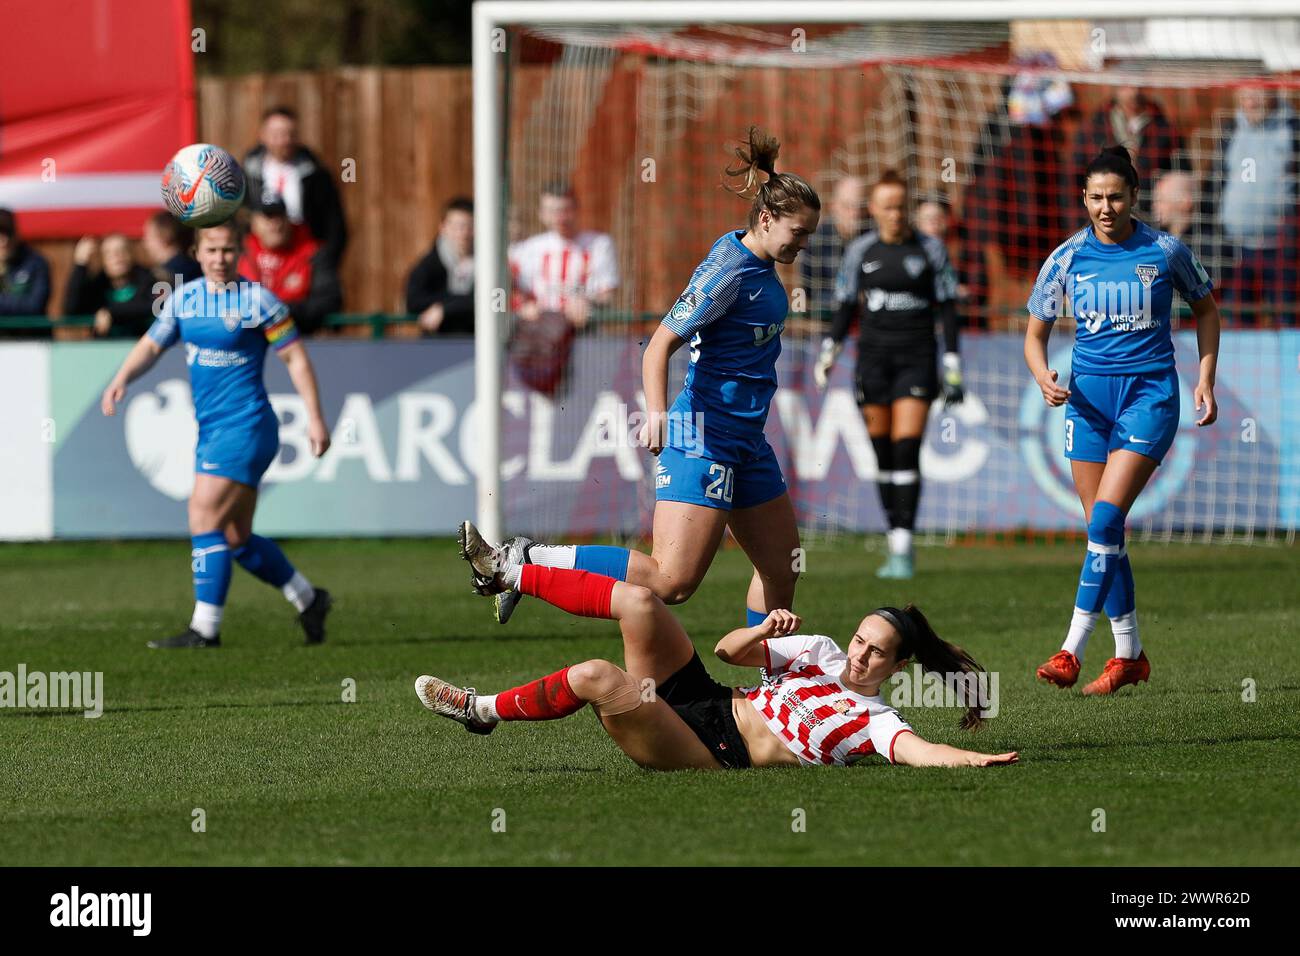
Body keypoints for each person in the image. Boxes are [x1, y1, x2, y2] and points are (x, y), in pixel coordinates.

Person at [484, 127, 820, 630]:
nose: (804, 244)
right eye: (799, 232)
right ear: (767, 219)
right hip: (702, 435)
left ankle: (771, 681)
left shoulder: (760, 264)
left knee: (781, 567)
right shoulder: (728, 272)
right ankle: (531, 559)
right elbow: (660, 343)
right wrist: (659, 416)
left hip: (747, 440)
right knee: (671, 582)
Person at [418, 523, 1018, 771]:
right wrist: (760, 633)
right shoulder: (824, 653)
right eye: (862, 640)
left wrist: (977, 760)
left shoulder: (876, 719)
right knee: (638, 600)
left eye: (876, 653)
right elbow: (728, 652)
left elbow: (921, 752)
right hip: (704, 693)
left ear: (899, 666)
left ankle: (480, 710)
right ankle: (509, 574)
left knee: (597, 675)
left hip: (714, 746)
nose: (861, 656)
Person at [1025, 145, 1221, 696]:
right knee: (1103, 532)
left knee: (1106, 521)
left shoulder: (1165, 251)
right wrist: (1042, 375)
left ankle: (1071, 650)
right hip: (1087, 403)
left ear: (1134, 197)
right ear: (1083, 199)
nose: (1105, 207)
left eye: (1115, 196)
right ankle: (1130, 653)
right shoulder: (1064, 259)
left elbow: (1206, 309)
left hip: (1149, 397)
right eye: (1095, 197)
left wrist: (1204, 377)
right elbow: (1035, 334)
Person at [100, 222, 335, 648]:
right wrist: (122, 378)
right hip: (212, 431)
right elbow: (152, 346)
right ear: (197, 252)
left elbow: (295, 358)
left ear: (239, 252)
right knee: (235, 538)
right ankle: (308, 599)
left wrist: (316, 418)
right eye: (212, 250)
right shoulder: (184, 301)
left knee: (203, 516)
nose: (220, 258)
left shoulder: (258, 301)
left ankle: (205, 629)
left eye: (228, 250)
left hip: (246, 426)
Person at [813, 171, 963, 580]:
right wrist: (830, 349)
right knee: (881, 454)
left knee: (905, 447)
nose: (896, 214)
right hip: (872, 362)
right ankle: (894, 537)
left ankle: (902, 547)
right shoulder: (860, 251)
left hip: (916, 359)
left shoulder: (930, 250)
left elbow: (948, 307)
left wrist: (951, 362)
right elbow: (845, 306)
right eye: (888, 206)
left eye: (901, 206)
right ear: (874, 210)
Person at [507, 182, 619, 394]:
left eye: (565, 210)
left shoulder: (598, 244)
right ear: (541, 213)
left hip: (584, 339)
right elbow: (509, 293)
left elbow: (607, 294)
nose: (560, 217)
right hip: (539, 344)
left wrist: (588, 302)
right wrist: (522, 307)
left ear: (576, 209)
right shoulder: (526, 250)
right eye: (552, 211)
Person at [1201, 87, 1300, 326]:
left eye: (1258, 92)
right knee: (1238, 321)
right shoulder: (1230, 129)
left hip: (1281, 248)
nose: (1252, 100)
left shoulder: (1293, 130)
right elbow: (1217, 182)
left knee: (1287, 321)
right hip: (1236, 250)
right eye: (1246, 94)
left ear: (1275, 92)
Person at [243, 105, 348, 268]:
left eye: (289, 134)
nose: (284, 141)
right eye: (276, 134)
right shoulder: (247, 174)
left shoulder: (317, 174)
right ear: (263, 136)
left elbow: (335, 224)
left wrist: (324, 260)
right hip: (259, 261)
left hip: (304, 258)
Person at [239, 197, 341, 335]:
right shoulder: (238, 252)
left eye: (280, 216)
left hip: (299, 336)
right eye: (268, 217)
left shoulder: (313, 254)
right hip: (246, 338)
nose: (276, 224)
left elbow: (328, 301)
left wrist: (277, 310)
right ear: (254, 223)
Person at [798, 174, 866, 326]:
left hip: (868, 325)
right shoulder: (816, 240)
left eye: (860, 206)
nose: (854, 213)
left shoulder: (873, 237)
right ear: (834, 206)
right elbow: (804, 294)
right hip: (826, 323)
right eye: (848, 206)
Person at [63, 234, 157, 338]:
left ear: (131, 254)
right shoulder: (96, 288)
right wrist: (80, 265)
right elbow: (71, 310)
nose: (117, 256)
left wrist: (112, 313)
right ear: (103, 260)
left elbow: (153, 306)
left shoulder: (149, 280)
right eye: (109, 253)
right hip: (104, 350)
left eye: (122, 250)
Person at [404, 196, 474, 336]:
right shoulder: (429, 265)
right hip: (438, 344)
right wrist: (460, 302)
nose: (463, 233)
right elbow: (413, 301)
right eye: (456, 227)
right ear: (443, 228)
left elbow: (496, 301)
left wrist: (445, 309)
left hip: (479, 343)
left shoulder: (491, 265)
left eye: (469, 226)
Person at [0, 207, 52, 335]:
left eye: (8, 233)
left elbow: (34, 305)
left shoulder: (35, 263)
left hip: (30, 342)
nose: (3, 241)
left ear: (16, 235)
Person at [141, 211, 201, 287]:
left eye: (149, 237)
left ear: (165, 236)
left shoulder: (166, 276)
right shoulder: (198, 268)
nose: (145, 243)